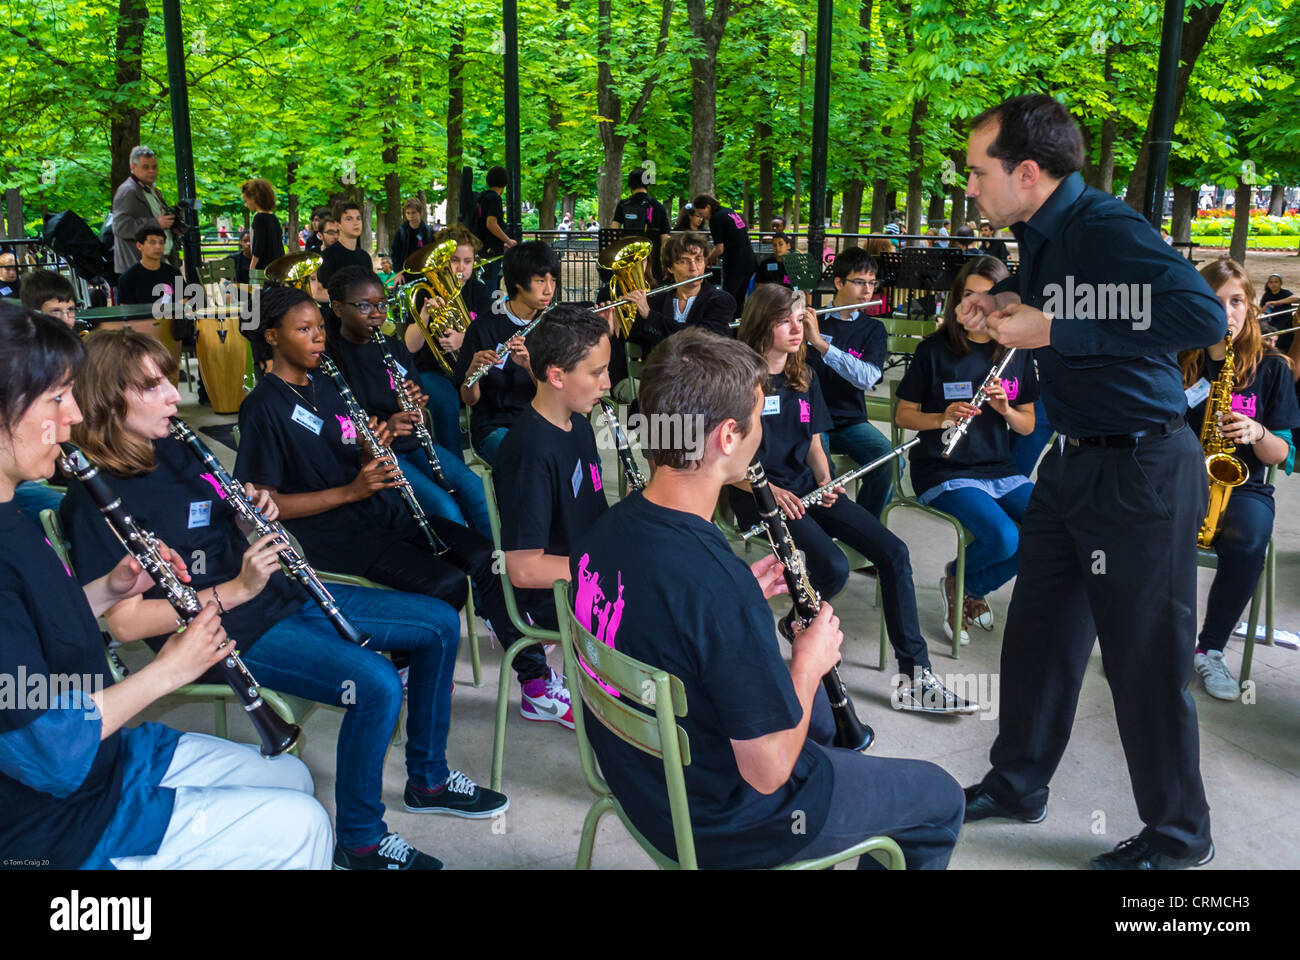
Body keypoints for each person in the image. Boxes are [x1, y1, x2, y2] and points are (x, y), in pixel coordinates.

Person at [62, 329, 503, 871]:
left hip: (275, 592)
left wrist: (255, 506)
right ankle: (361, 842)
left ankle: (429, 779)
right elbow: (126, 624)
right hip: (217, 631)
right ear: (110, 398)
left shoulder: (178, 445)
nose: (176, 397)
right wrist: (237, 588)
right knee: (375, 683)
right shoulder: (93, 501)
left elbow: (231, 515)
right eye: (154, 387)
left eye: (169, 381)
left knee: (436, 622)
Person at [570, 326, 966, 868]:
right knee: (939, 796)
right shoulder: (716, 583)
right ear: (727, 437)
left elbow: (655, 613)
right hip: (719, 820)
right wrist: (808, 661)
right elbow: (767, 769)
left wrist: (737, 611)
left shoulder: (602, 531)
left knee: (827, 726)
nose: (764, 434)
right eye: (758, 420)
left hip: (639, 782)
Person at [958, 93, 1226, 870]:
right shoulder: (1036, 234)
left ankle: (1181, 836)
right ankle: (1018, 784)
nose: (970, 185)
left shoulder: (1105, 226)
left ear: (1028, 172)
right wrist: (1008, 304)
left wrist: (1056, 329)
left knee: (1146, 657)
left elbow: (1200, 317)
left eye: (980, 171)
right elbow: (1077, 306)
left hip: (1141, 470)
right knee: (1038, 636)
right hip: (1073, 463)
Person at [0, 305, 334, 869]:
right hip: (58, 822)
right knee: (303, 827)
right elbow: (49, 751)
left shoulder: (13, 513)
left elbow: (33, 628)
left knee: (291, 776)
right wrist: (169, 671)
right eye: (59, 397)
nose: (77, 413)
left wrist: (109, 588)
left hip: (109, 761)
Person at [234, 285, 529, 686]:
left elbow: (345, 453)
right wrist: (352, 490)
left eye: (320, 327)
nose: (319, 337)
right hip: (331, 534)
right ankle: (408, 660)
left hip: (378, 512)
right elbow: (264, 505)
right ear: (272, 336)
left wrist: (374, 447)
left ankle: (534, 679)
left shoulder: (326, 384)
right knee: (445, 583)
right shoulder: (263, 407)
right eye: (304, 330)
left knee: (481, 553)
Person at [730, 284, 976, 714]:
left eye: (800, 317)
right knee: (833, 567)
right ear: (760, 323)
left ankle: (916, 678)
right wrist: (770, 490)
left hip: (807, 488)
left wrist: (827, 480)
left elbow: (812, 442)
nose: (798, 327)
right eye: (785, 319)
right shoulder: (736, 382)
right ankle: (798, 622)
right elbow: (724, 462)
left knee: (894, 551)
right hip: (758, 494)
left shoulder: (802, 375)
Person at [895, 255, 1039, 642]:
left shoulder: (1015, 351)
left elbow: (1028, 424)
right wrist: (942, 416)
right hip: (944, 469)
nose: (978, 306)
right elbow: (903, 415)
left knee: (1050, 530)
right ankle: (961, 581)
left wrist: (1006, 409)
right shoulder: (933, 351)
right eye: (969, 295)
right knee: (1005, 537)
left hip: (998, 469)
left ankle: (966, 585)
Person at [1179, 258, 1299, 699]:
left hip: (1245, 482)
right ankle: (1156, 641)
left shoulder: (1272, 367)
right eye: (1215, 302)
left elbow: (1284, 452)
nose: (1226, 312)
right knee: (1147, 528)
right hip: (1183, 476)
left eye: (1236, 301)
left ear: (1249, 306)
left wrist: (1258, 431)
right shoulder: (1178, 360)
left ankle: (1209, 649)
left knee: (1247, 541)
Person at [493, 305, 613, 728]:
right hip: (556, 593)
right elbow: (523, 570)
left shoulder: (577, 423)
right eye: (596, 373)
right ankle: (620, 707)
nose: (608, 383)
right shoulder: (530, 452)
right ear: (557, 376)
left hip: (585, 569)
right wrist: (610, 569)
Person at [326, 265, 489, 536]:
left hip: (414, 443)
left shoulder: (393, 347)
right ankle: (465, 570)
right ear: (338, 308)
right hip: (372, 455)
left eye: (382, 305)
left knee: (475, 490)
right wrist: (386, 429)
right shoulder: (329, 360)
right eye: (365, 306)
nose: (377, 314)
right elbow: (337, 429)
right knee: (445, 508)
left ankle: (495, 568)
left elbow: (423, 413)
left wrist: (416, 409)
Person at [804, 247, 893, 519]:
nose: (867, 290)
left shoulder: (873, 329)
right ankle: (827, 531)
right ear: (839, 283)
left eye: (871, 282)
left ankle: (865, 524)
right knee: (822, 472)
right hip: (812, 421)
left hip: (850, 420)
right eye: (859, 282)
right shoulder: (813, 320)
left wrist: (821, 346)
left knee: (889, 461)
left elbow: (868, 378)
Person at [458, 240, 557, 466]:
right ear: (518, 284)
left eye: (553, 280)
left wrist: (529, 367)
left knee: (583, 453)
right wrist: (472, 374)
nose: (549, 289)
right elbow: (469, 399)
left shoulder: (552, 325)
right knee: (529, 462)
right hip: (495, 426)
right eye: (541, 281)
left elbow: (557, 396)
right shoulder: (483, 328)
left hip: (542, 420)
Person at [405, 224, 491, 452]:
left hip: (472, 370)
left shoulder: (479, 292)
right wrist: (424, 314)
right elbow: (409, 347)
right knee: (444, 402)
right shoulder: (425, 292)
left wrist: (464, 339)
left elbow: (490, 336)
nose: (460, 267)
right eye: (454, 260)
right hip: (432, 371)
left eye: (467, 261)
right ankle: (453, 469)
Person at [626, 233, 734, 356]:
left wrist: (651, 317)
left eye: (698, 259)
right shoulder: (655, 301)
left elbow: (701, 339)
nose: (694, 268)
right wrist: (612, 328)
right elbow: (636, 346)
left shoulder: (721, 300)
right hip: (662, 373)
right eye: (683, 261)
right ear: (670, 268)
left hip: (706, 373)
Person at [111, 146, 180, 274]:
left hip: (159, 263)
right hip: (139, 268)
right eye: (146, 167)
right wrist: (156, 223)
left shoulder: (153, 191)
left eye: (154, 167)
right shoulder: (128, 191)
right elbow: (120, 227)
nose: (151, 171)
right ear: (133, 167)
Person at [692, 194, 756, 317]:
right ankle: (736, 327)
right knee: (739, 299)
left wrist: (705, 260)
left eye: (701, 212)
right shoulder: (729, 212)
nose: (702, 216)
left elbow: (719, 248)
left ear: (708, 207)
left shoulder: (716, 219)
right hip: (749, 260)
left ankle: (724, 326)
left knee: (728, 297)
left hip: (736, 264)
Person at [610, 167, 671, 280]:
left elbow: (614, 231)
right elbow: (665, 238)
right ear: (647, 184)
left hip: (629, 260)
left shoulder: (623, 205)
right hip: (654, 263)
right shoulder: (658, 206)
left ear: (630, 185)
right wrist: (664, 262)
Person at [116, 226, 183, 308]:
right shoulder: (127, 278)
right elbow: (125, 310)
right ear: (139, 246)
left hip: (171, 318)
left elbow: (184, 299)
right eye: (152, 242)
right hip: (142, 319)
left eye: (161, 243)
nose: (158, 247)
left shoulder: (174, 272)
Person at [475, 166, 516, 293]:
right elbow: (491, 224)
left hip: (481, 249)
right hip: (491, 254)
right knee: (490, 288)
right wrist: (508, 240)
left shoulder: (482, 197)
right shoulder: (494, 198)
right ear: (504, 182)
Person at [319, 201, 370, 286]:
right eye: (349, 219)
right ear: (338, 225)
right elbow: (325, 292)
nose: (356, 223)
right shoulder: (328, 256)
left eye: (358, 218)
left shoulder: (365, 257)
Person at [241, 178, 284, 272]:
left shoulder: (259, 218)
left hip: (263, 271)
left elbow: (259, 247)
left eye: (246, 201)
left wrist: (251, 268)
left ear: (254, 198)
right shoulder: (274, 218)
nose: (245, 205)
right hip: (277, 268)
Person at [391, 197, 434, 284]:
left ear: (420, 212)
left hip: (425, 275)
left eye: (414, 212)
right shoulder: (401, 232)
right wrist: (398, 273)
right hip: (405, 276)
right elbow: (395, 254)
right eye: (408, 213)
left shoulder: (429, 232)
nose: (411, 216)